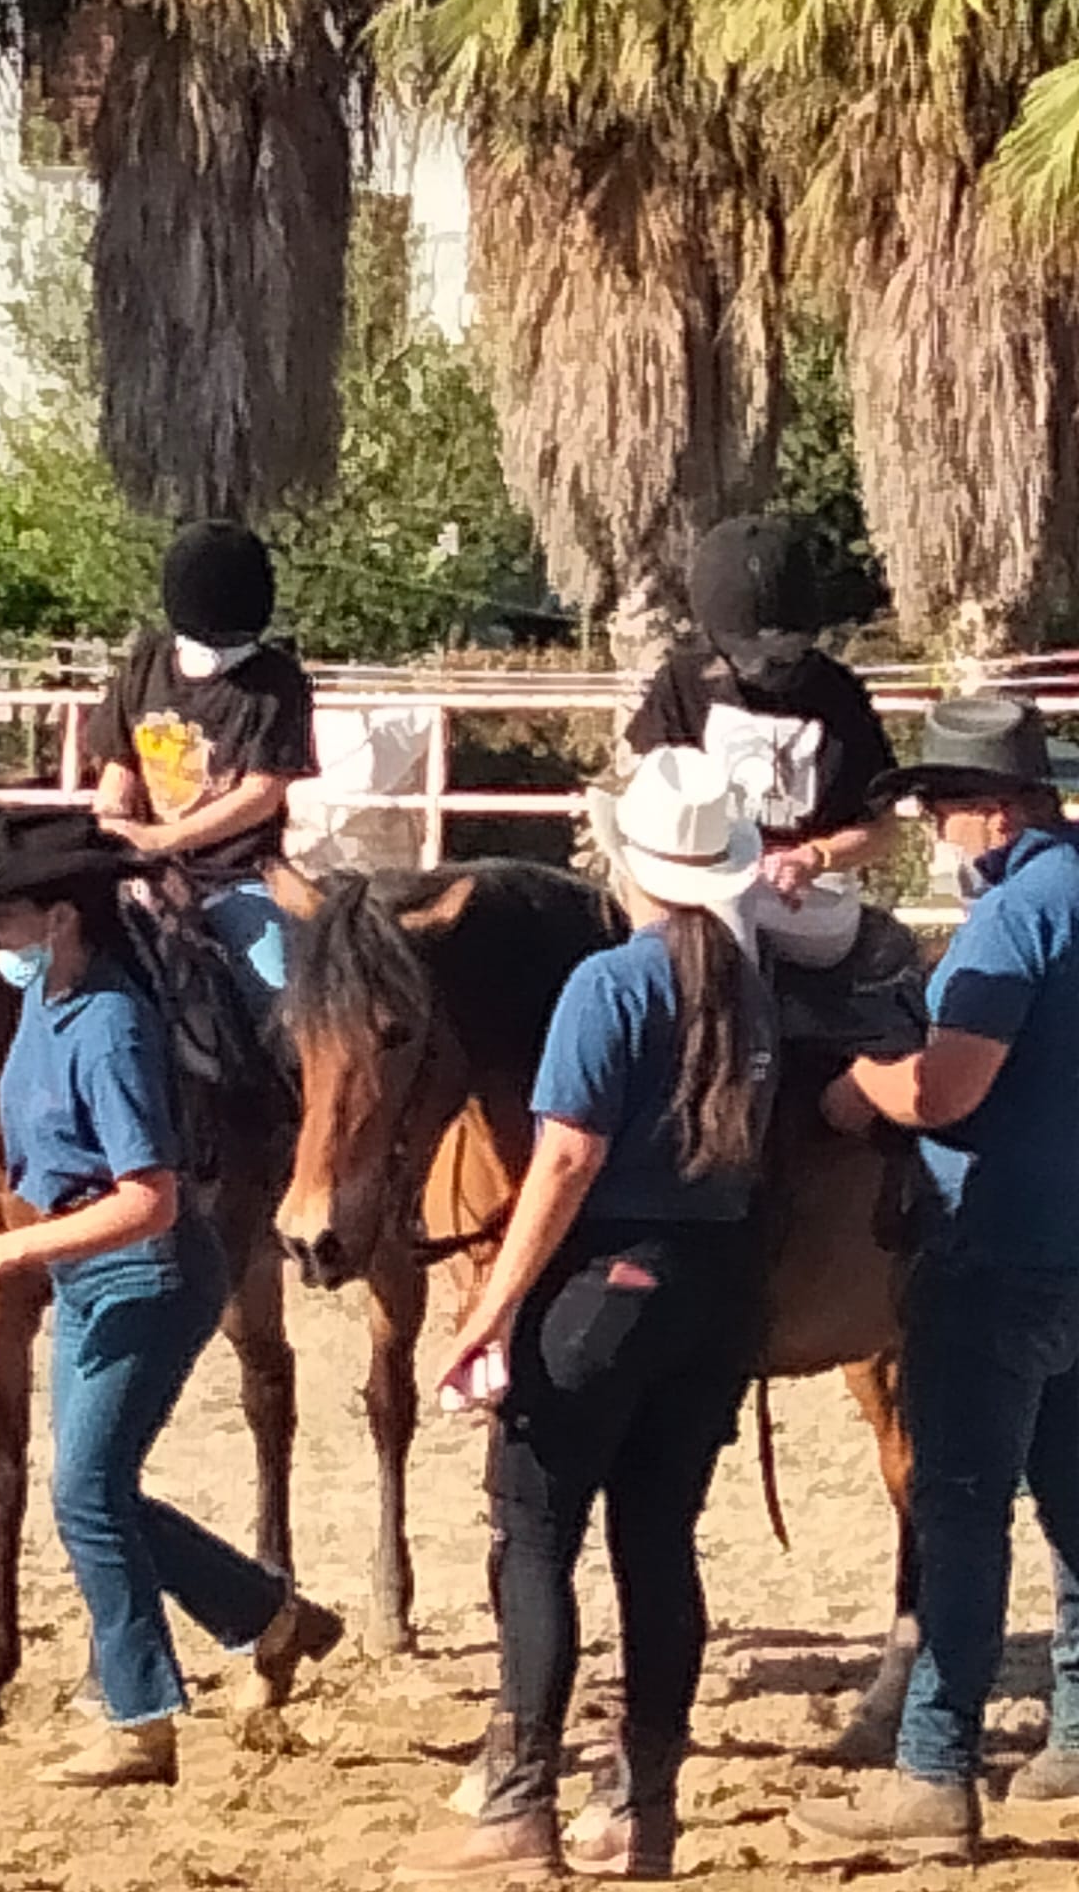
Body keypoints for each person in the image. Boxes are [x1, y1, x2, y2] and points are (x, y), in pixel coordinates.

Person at [392, 747, 776, 1884]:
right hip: (720, 1283)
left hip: (609, 1284)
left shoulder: (610, 984)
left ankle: (521, 1802)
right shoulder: (746, 986)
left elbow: (563, 1160)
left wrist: (488, 1310)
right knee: (657, 1543)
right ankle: (643, 1809)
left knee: (536, 1536)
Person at [0, 812, 341, 1788]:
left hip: (145, 1274)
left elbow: (149, 1195)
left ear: (63, 918)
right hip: (92, 1275)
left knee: (85, 1494)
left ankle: (140, 1718)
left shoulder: (113, 1018)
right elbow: (58, 1119)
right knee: (97, 1492)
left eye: (8, 914)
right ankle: (268, 1615)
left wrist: (11, 1243)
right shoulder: (51, 1005)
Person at [789, 696, 1079, 1864]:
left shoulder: (1013, 917)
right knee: (1073, 1502)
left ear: (993, 811)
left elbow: (945, 1090)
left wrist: (858, 1076)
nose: (937, 831)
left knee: (962, 1509)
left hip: (995, 1241)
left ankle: (935, 1766)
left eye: (943, 808)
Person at [627, 515, 896, 967]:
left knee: (735, 929)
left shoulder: (839, 695)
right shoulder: (681, 684)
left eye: (786, 650)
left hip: (809, 895)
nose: (767, 668)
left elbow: (881, 827)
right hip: (695, 880)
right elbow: (648, 801)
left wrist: (814, 857)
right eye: (747, 651)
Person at [89, 518, 317, 1019]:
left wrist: (163, 840)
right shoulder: (143, 663)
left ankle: (280, 1094)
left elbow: (261, 794)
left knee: (277, 995)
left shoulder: (278, 681)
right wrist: (112, 819)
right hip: (133, 867)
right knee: (37, 959)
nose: (215, 658)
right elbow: (119, 760)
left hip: (236, 877)